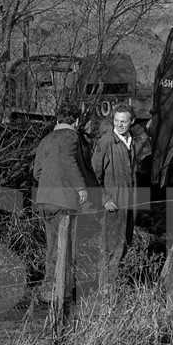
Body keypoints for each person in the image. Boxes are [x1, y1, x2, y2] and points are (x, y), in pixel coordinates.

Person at [29, 107, 96, 326]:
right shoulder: (71, 137)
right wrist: (81, 188)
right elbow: (70, 162)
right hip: (65, 200)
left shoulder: (46, 139)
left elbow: (36, 172)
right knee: (68, 247)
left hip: (45, 200)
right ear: (76, 121)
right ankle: (64, 291)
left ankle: (49, 290)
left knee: (52, 246)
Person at [88, 104, 140, 289]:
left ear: (131, 122)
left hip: (128, 203)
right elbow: (94, 175)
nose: (120, 125)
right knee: (110, 248)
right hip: (113, 204)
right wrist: (105, 200)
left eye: (124, 121)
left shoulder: (131, 142)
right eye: (117, 121)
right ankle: (106, 290)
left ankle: (114, 287)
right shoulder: (107, 142)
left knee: (124, 244)